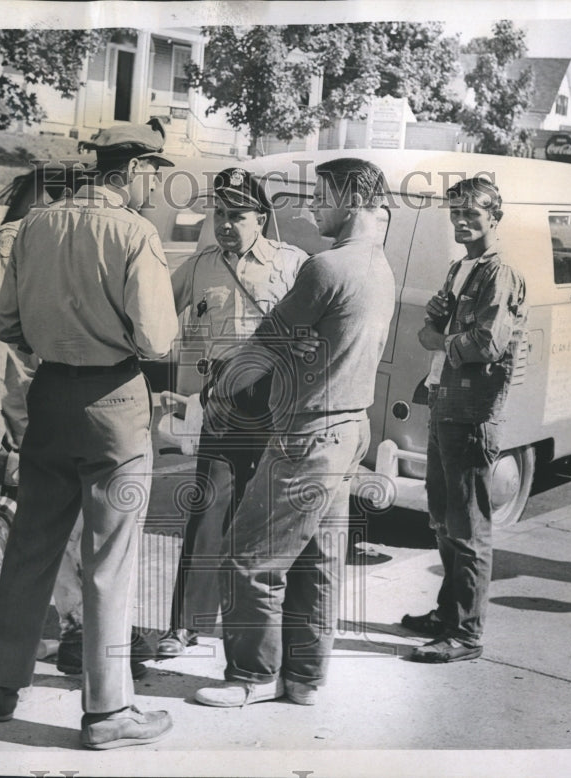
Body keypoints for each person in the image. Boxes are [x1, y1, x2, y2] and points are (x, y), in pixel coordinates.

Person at [0, 119, 179, 750]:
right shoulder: (135, 231)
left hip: (48, 396)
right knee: (109, 563)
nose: (155, 182)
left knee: (32, 546)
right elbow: (156, 338)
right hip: (113, 400)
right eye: (153, 171)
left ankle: (1, 689)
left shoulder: (35, 224)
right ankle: (107, 714)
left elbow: (7, 324)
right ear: (135, 170)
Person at [192, 158, 396, 707]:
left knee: (248, 556)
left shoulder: (326, 267)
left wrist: (220, 392)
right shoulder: (379, 266)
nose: (311, 208)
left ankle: (251, 676)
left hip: (306, 434)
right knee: (317, 560)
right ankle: (303, 678)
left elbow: (263, 344)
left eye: (322, 196)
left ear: (351, 198)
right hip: (349, 427)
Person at [0, 199, 147, 682]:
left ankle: (65, 637)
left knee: (66, 526)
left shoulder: (51, 235)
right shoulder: (14, 238)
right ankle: (76, 628)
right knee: (52, 531)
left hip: (47, 393)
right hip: (23, 399)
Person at [156, 168, 308, 658]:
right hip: (221, 404)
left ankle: (257, 631)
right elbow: (155, 307)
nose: (225, 224)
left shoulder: (292, 264)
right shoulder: (200, 267)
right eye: (219, 214)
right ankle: (186, 625)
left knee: (264, 518)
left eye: (237, 215)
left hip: (274, 403)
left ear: (260, 219)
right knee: (208, 512)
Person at [401, 176, 527, 663]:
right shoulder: (462, 268)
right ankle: (446, 614)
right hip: (444, 401)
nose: (461, 221)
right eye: (455, 212)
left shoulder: (500, 274)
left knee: (470, 524)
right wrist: (438, 322)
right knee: (442, 516)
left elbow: (489, 344)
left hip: (472, 411)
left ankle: (466, 633)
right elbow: (435, 325)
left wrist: (439, 338)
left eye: (472, 214)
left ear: (495, 216)